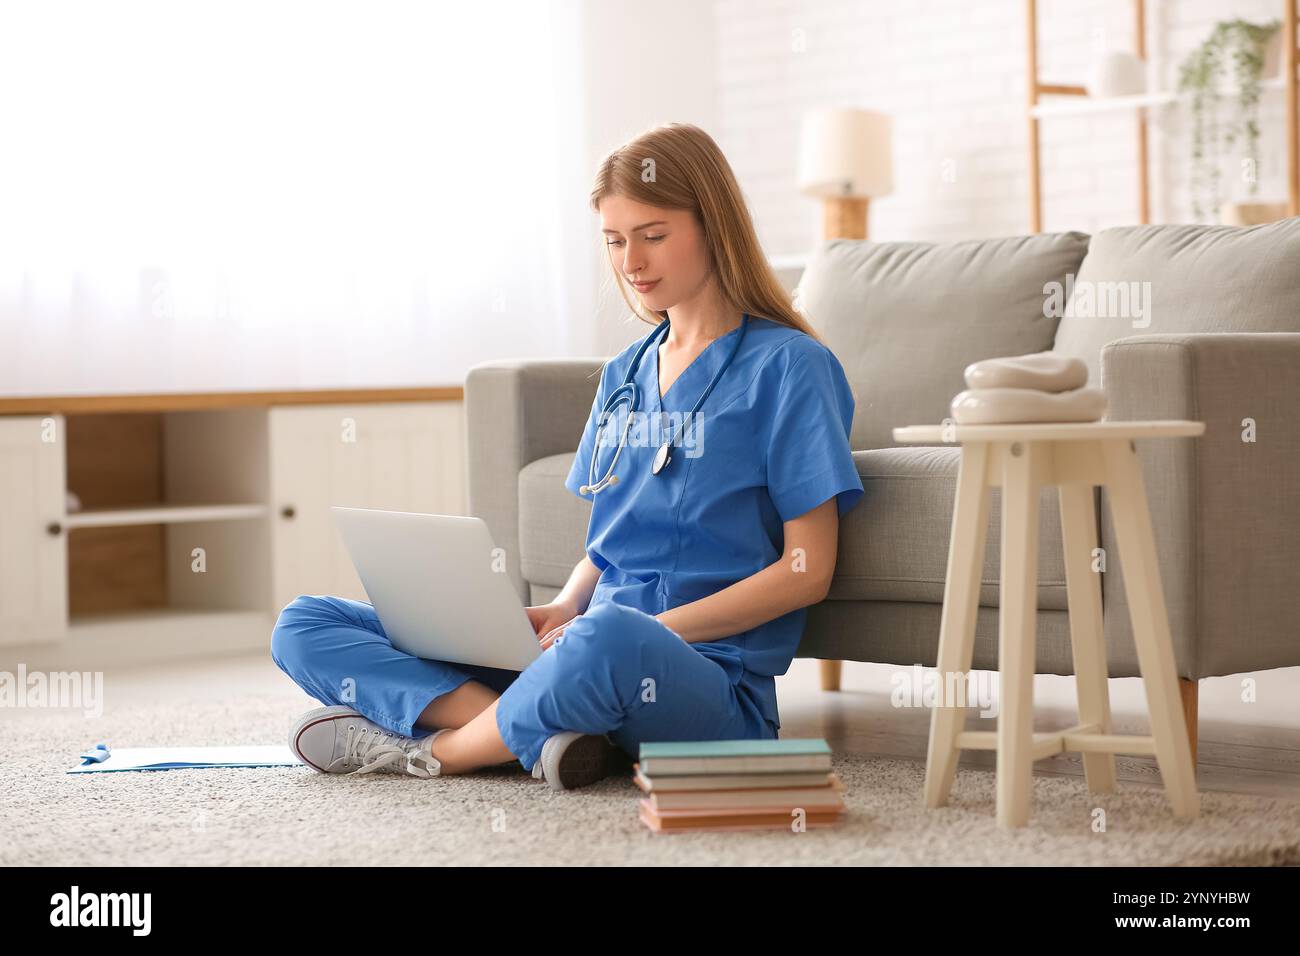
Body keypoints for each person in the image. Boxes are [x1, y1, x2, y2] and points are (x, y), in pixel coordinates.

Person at [270, 122, 864, 790]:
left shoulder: (792, 368)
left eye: (653, 235)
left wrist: (644, 629)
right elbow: (611, 541)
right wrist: (565, 609)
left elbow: (806, 570)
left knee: (609, 640)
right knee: (304, 623)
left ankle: (443, 751)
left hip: (696, 680)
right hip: (584, 650)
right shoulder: (623, 375)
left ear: (714, 226)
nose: (631, 261)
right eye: (614, 240)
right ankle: (524, 725)